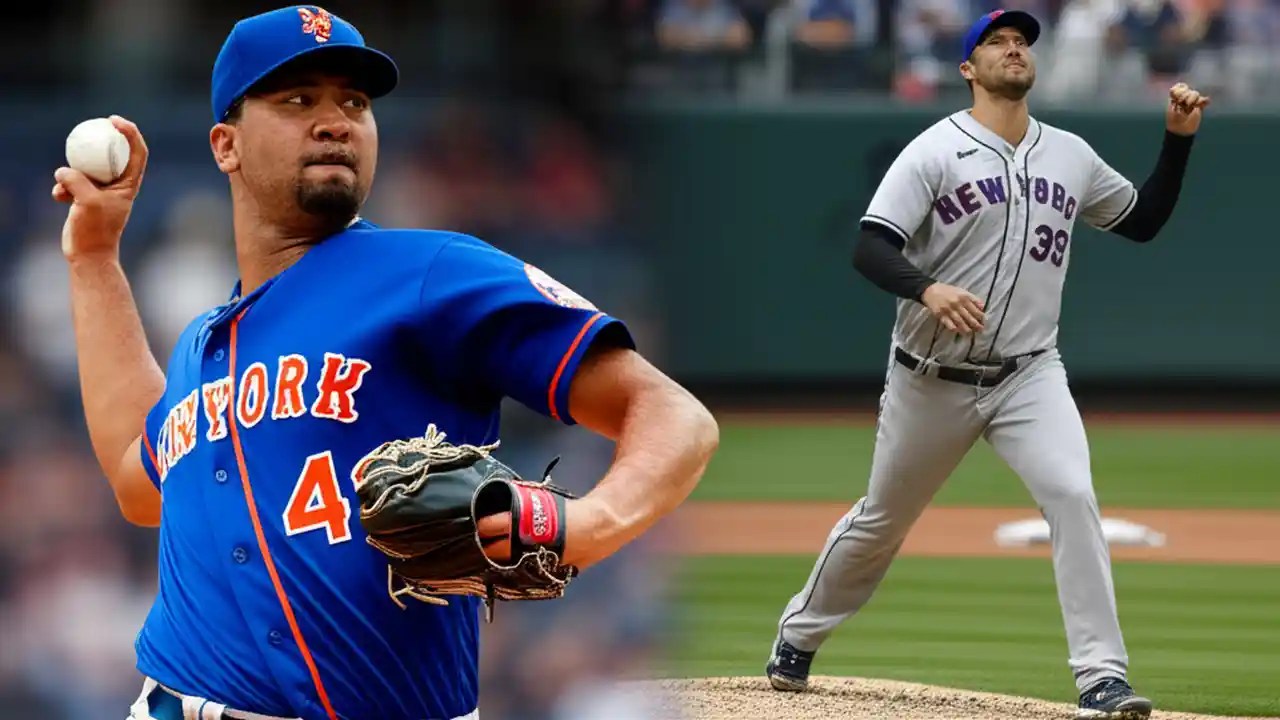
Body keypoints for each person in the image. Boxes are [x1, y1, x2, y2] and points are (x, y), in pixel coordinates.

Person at [51, 6, 719, 720]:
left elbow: (674, 416)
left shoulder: (430, 272)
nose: (335, 120)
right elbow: (139, 484)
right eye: (298, 100)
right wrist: (93, 258)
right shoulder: (203, 343)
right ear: (226, 144)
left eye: (354, 102)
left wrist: (584, 527)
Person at [764, 9, 1206, 720]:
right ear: (968, 68)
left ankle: (1103, 677)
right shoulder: (934, 150)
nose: (1013, 49)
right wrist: (927, 287)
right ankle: (798, 633)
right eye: (997, 42)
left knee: (1072, 496)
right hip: (928, 377)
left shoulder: (1070, 153)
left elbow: (1142, 220)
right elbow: (870, 245)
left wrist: (1177, 144)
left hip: (1030, 374)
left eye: (1022, 41)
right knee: (881, 520)